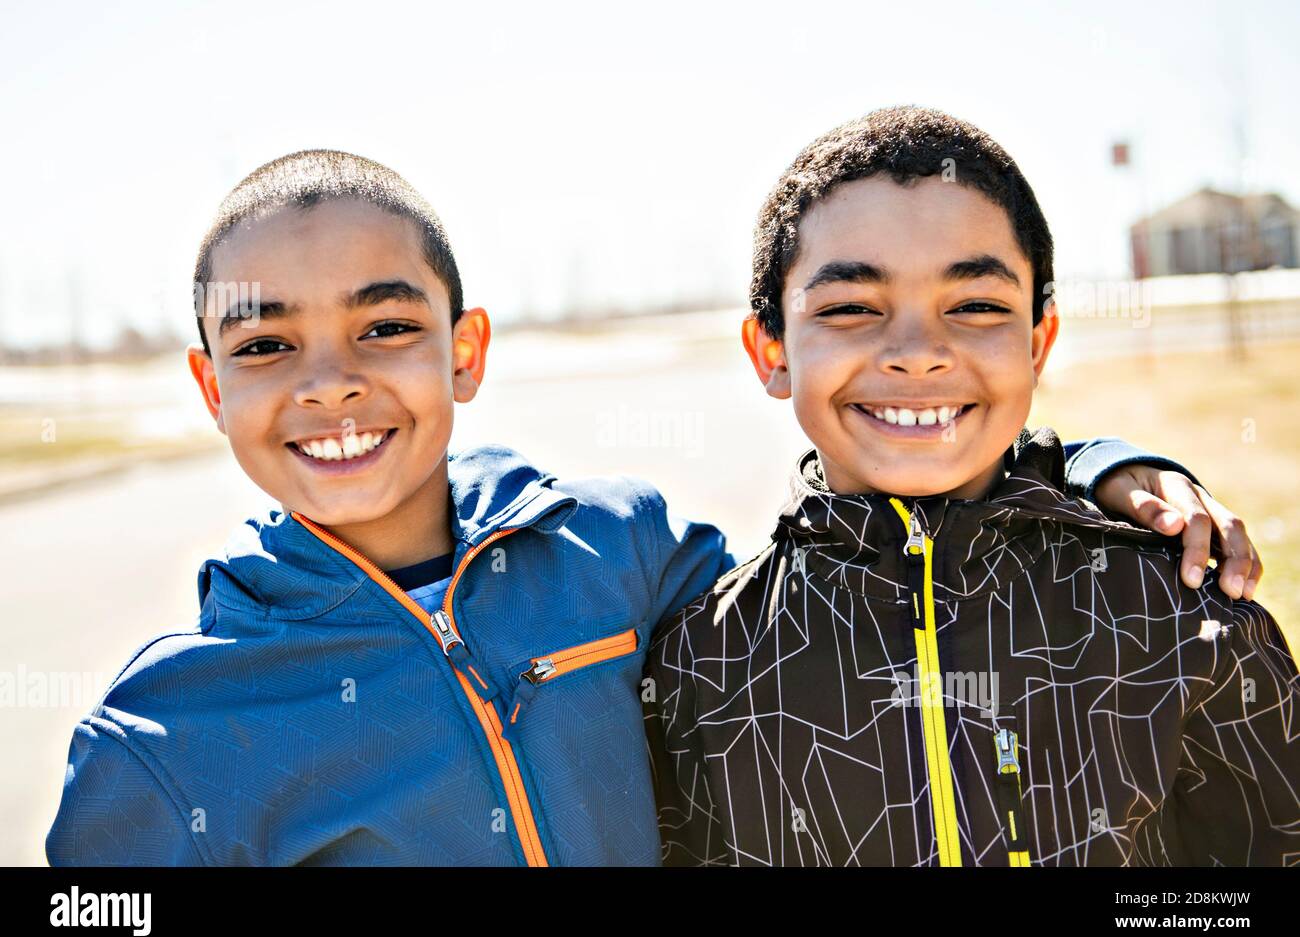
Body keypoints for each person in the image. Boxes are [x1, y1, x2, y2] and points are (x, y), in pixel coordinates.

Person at [45, 147, 1255, 866]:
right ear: (207, 383)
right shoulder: (161, 739)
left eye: (386, 326)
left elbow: (871, 541)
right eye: (266, 343)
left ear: (464, 349)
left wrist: (1085, 465)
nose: (332, 382)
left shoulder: (615, 551)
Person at [644, 107, 1297, 866]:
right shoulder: (704, 664)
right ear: (772, 350)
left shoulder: (1182, 613)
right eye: (851, 307)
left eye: (977, 306)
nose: (918, 354)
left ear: (1038, 342)